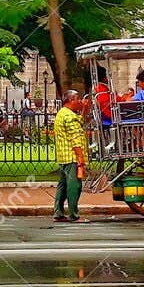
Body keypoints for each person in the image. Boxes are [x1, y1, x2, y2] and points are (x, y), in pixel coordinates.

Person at [52, 90, 90, 223]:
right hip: (72, 157)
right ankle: (73, 214)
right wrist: (80, 159)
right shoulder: (69, 117)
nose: (79, 101)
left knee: (62, 185)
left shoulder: (63, 113)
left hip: (63, 157)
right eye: (77, 99)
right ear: (70, 101)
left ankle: (58, 212)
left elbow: (80, 121)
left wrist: (84, 108)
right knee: (74, 186)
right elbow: (76, 140)